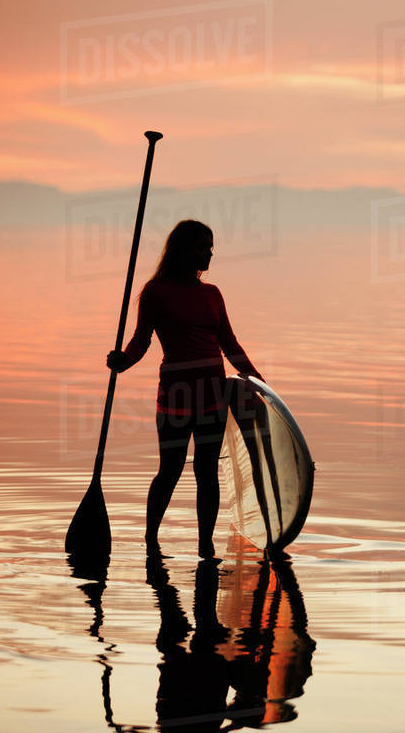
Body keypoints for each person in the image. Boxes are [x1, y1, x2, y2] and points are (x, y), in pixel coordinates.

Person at [106, 219, 262, 559]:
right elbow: (141, 340)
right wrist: (123, 361)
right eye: (203, 247)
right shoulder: (155, 291)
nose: (209, 253)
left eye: (211, 247)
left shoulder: (212, 294)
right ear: (183, 250)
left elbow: (229, 344)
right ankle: (151, 541)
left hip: (213, 396)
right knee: (170, 469)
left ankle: (206, 547)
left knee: (207, 471)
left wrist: (256, 378)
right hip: (176, 396)